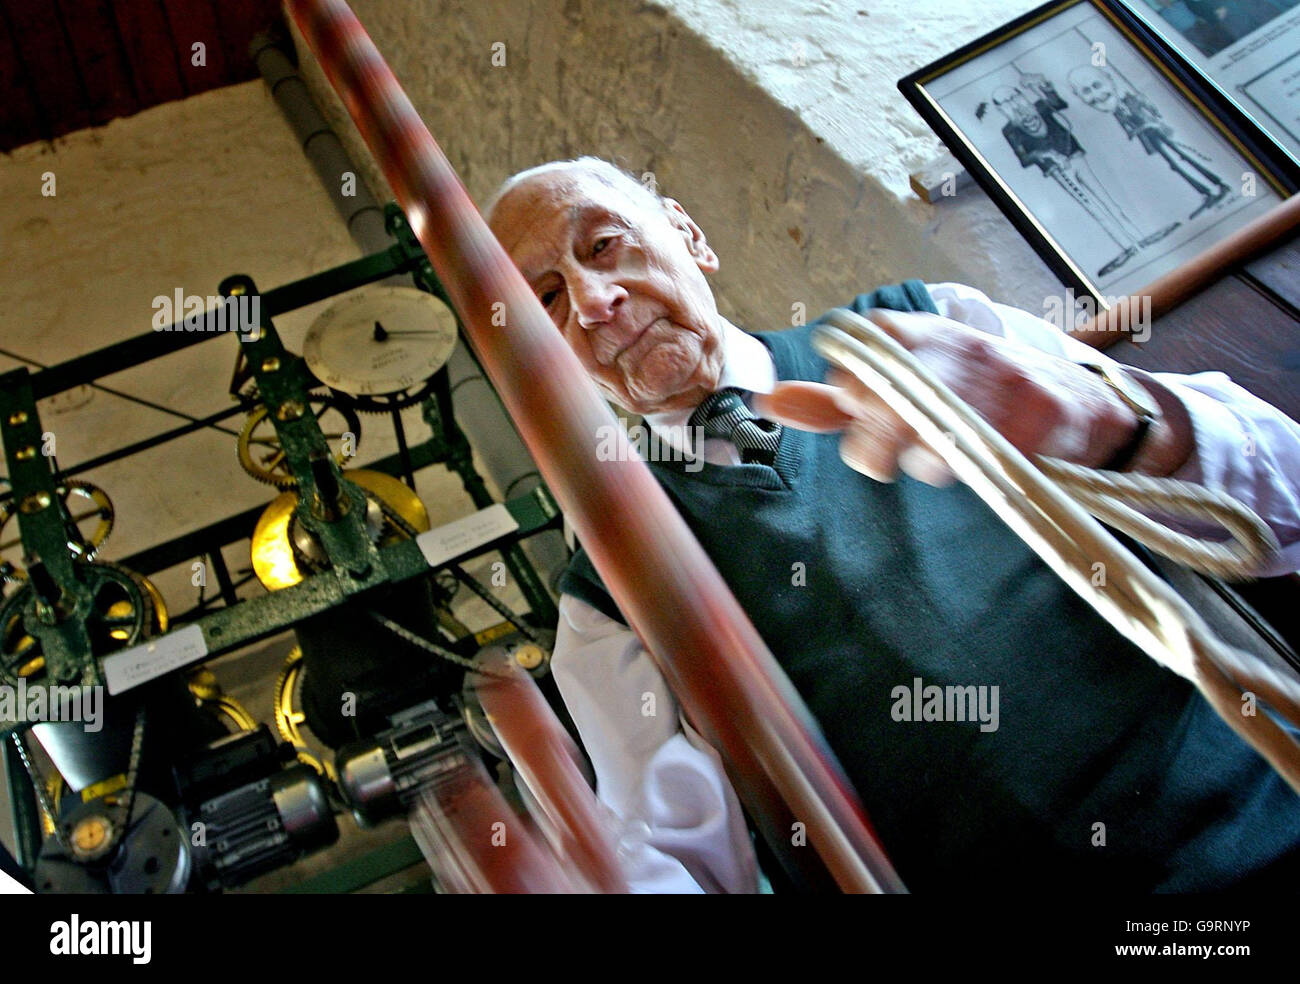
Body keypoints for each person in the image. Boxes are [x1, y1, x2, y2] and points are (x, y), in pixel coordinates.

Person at [484, 156, 1300, 893]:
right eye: (546, 300)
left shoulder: (927, 330)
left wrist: (1105, 423)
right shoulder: (607, 598)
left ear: (691, 237)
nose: (593, 303)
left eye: (602, 245)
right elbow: (675, 863)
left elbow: (1284, 506)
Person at [991, 74, 1175, 277]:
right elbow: (1024, 159)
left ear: (1020, 95)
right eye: (1006, 103)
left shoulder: (1042, 107)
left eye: (1013, 97)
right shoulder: (1009, 130)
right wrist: (1046, 154)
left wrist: (1043, 85)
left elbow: (1058, 102)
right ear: (1000, 109)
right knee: (1091, 205)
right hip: (1058, 170)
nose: (1013, 105)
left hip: (1075, 155)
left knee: (1107, 198)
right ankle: (1127, 245)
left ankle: (1141, 236)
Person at [1068, 65, 1230, 220]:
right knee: (1174, 164)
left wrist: (1148, 126)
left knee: (1184, 157)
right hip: (1149, 139)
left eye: (1097, 85)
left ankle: (1217, 185)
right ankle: (1206, 191)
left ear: (1109, 80)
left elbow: (1151, 116)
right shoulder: (1114, 114)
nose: (1096, 95)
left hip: (1159, 134)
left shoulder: (1132, 100)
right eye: (1086, 91)